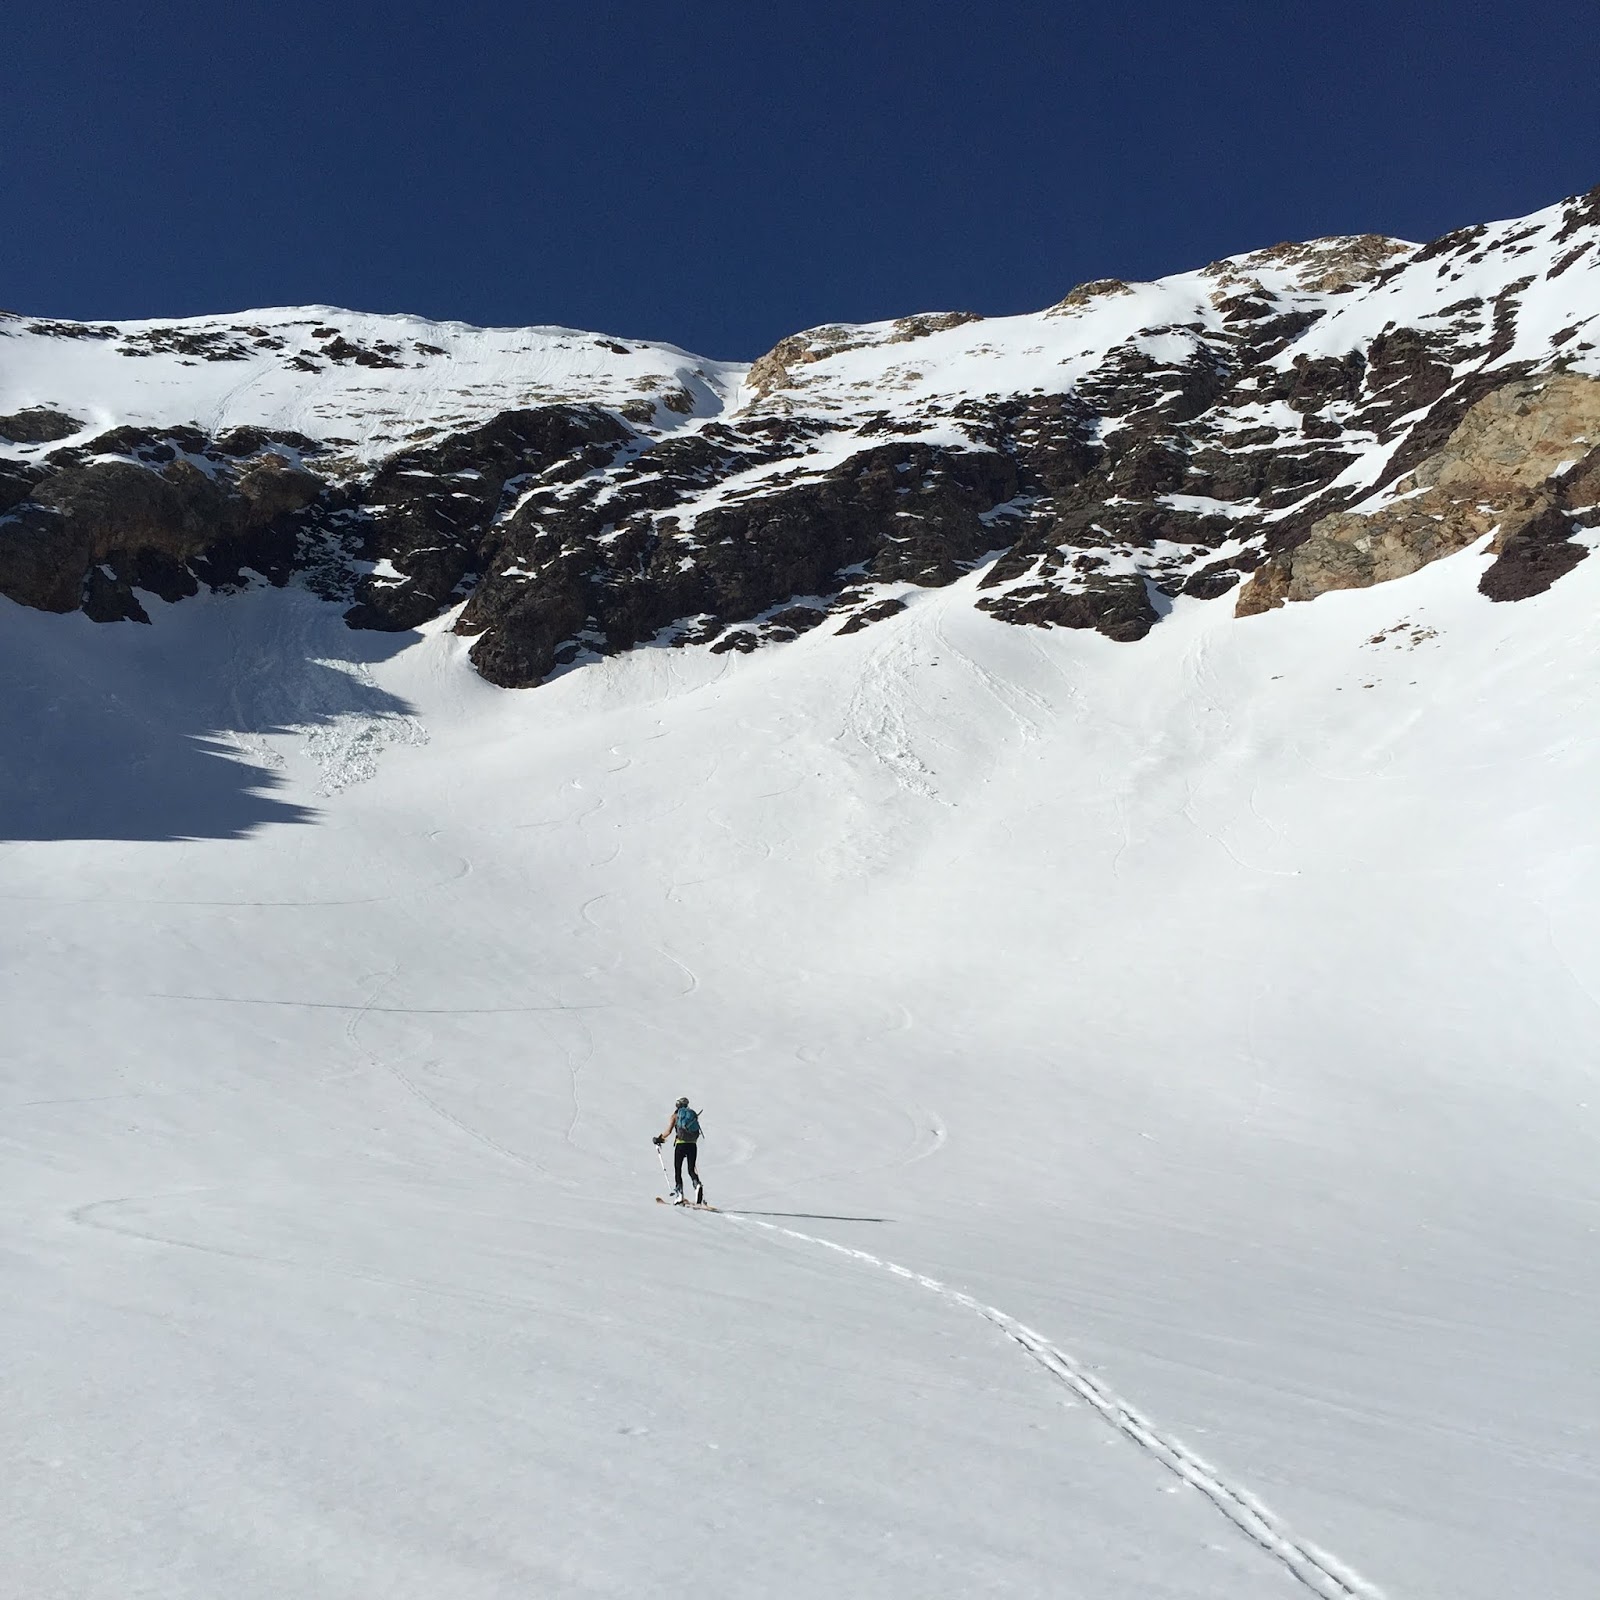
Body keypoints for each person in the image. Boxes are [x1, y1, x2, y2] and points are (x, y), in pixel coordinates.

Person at [653, 1096, 705, 1205]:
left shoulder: (675, 1116)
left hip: (680, 1145)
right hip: (692, 1145)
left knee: (678, 1170)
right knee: (691, 1169)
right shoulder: (692, 1115)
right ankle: (697, 1185)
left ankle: (679, 1195)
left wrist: (658, 1139)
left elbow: (668, 1132)